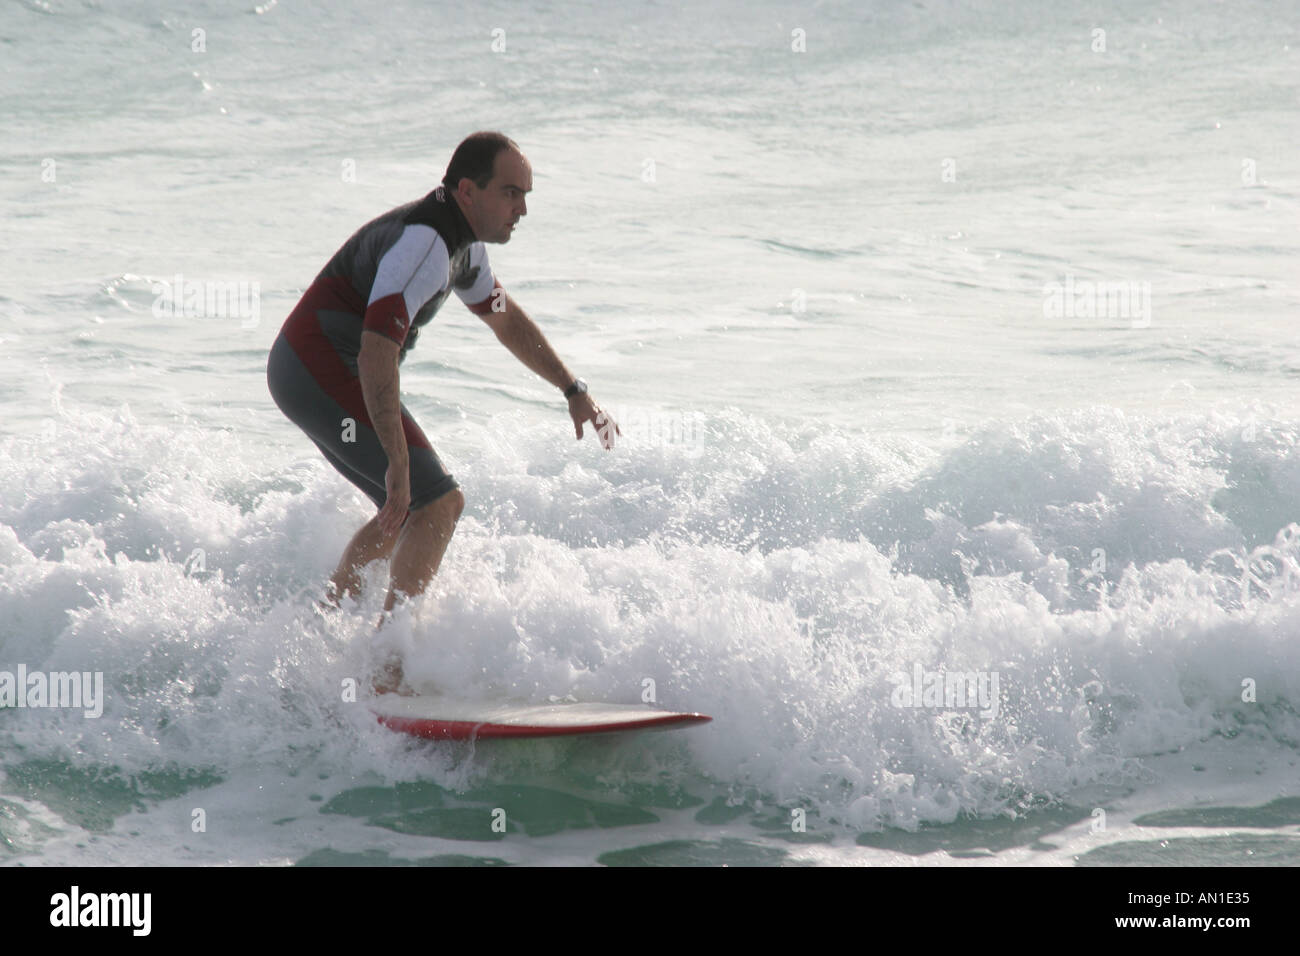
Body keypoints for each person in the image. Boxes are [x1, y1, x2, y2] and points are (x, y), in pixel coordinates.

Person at [266, 131, 619, 691]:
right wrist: (398, 463)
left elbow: (504, 318)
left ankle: (314, 644)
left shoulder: (464, 247)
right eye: (510, 193)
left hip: (308, 368)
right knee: (436, 503)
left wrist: (572, 388)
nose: (522, 209)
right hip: (320, 366)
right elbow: (378, 351)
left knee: (405, 510)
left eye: (525, 195)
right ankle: (386, 672)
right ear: (467, 191)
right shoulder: (426, 247)